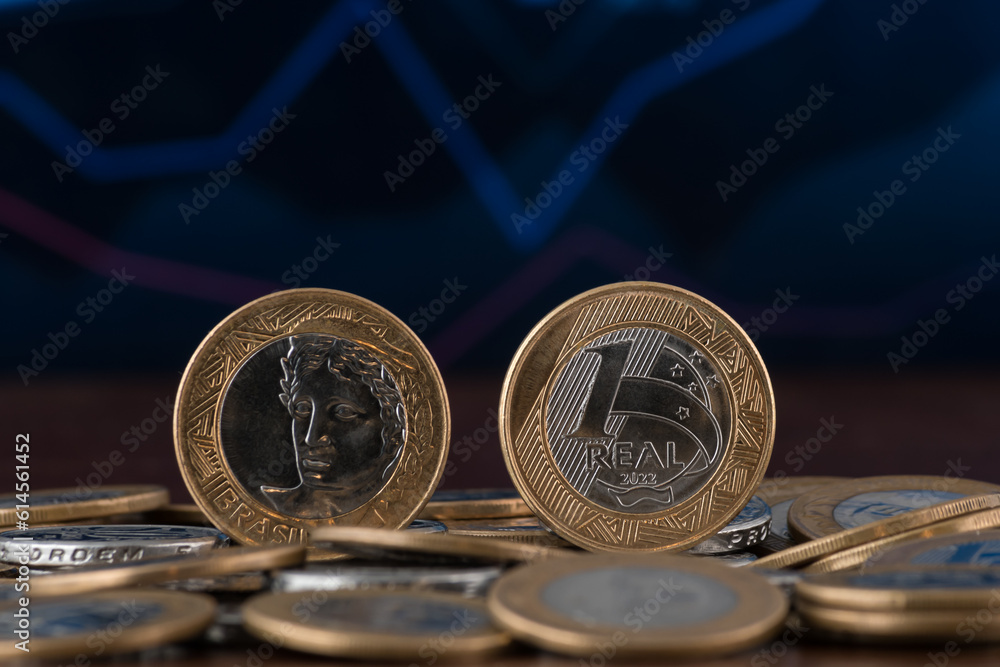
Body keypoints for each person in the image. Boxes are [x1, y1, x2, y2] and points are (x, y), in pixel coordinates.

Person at [261, 334, 406, 518]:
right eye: (302, 409)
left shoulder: (391, 513)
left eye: (343, 412)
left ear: (393, 429)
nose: (311, 438)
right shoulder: (261, 509)